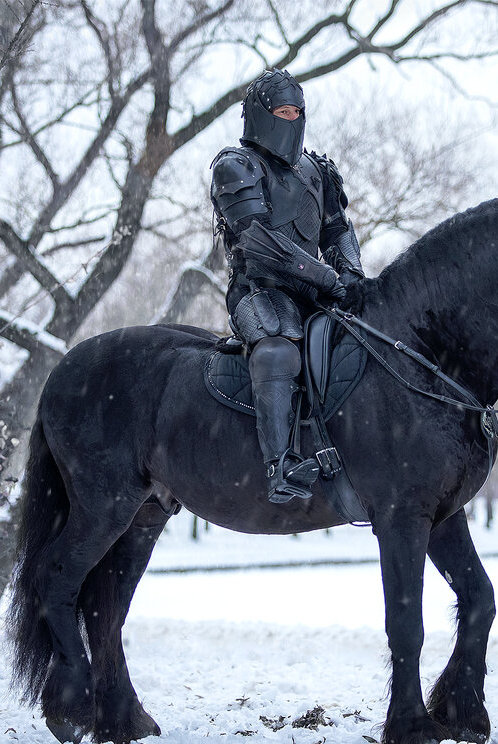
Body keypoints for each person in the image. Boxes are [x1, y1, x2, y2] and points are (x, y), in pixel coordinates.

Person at [209, 68, 365, 504]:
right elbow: (257, 240)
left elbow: (338, 229)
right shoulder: (236, 165)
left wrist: (351, 275)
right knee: (279, 350)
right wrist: (323, 276)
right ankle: (280, 464)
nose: (291, 119)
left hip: (315, 295)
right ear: (260, 114)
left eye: (297, 111)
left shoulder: (318, 170)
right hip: (258, 290)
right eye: (282, 110)